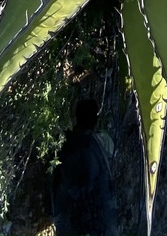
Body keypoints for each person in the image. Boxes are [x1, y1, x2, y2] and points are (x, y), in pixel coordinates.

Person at [51, 98, 117, 236]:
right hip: (100, 224)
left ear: (75, 117)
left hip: (74, 223)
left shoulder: (62, 147)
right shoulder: (103, 142)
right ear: (95, 120)